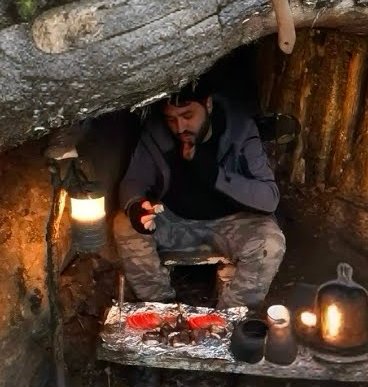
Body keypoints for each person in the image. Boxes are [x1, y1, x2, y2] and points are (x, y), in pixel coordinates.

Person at [114, 87, 286, 310]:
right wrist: (136, 206)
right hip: (176, 219)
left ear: (208, 105)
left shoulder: (239, 129)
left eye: (187, 116)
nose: (180, 128)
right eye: (171, 119)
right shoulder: (156, 132)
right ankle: (160, 310)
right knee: (124, 223)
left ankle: (229, 320)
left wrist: (215, 175)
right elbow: (133, 180)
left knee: (270, 243)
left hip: (231, 221)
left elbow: (269, 198)